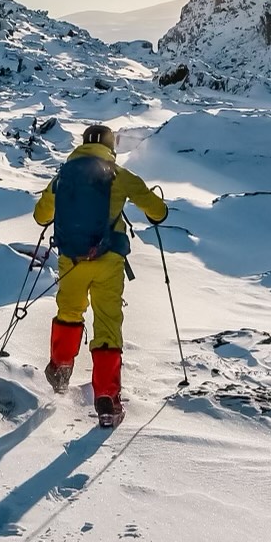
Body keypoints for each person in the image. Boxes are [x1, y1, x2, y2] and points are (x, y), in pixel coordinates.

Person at [33, 123, 168, 427]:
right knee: (107, 323)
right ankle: (107, 399)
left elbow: (41, 215)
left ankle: (61, 368)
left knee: (69, 311)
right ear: (111, 146)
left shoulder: (64, 176)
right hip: (108, 261)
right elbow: (157, 210)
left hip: (71, 261)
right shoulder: (117, 175)